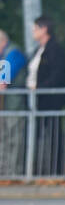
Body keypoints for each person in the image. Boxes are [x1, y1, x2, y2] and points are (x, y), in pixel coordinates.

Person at [27, 16, 65, 175]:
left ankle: (56, 171)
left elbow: (57, 75)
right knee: (37, 135)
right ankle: (37, 170)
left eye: (35, 28)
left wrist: (39, 87)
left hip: (49, 99)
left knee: (53, 135)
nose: (33, 32)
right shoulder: (38, 50)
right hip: (37, 99)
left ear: (44, 29)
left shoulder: (55, 49)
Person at [0, 27, 27, 175]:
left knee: (14, 139)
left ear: (2, 42)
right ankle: (5, 171)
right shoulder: (5, 54)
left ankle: (13, 172)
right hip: (6, 105)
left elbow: (2, 81)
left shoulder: (12, 53)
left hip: (14, 105)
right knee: (5, 139)